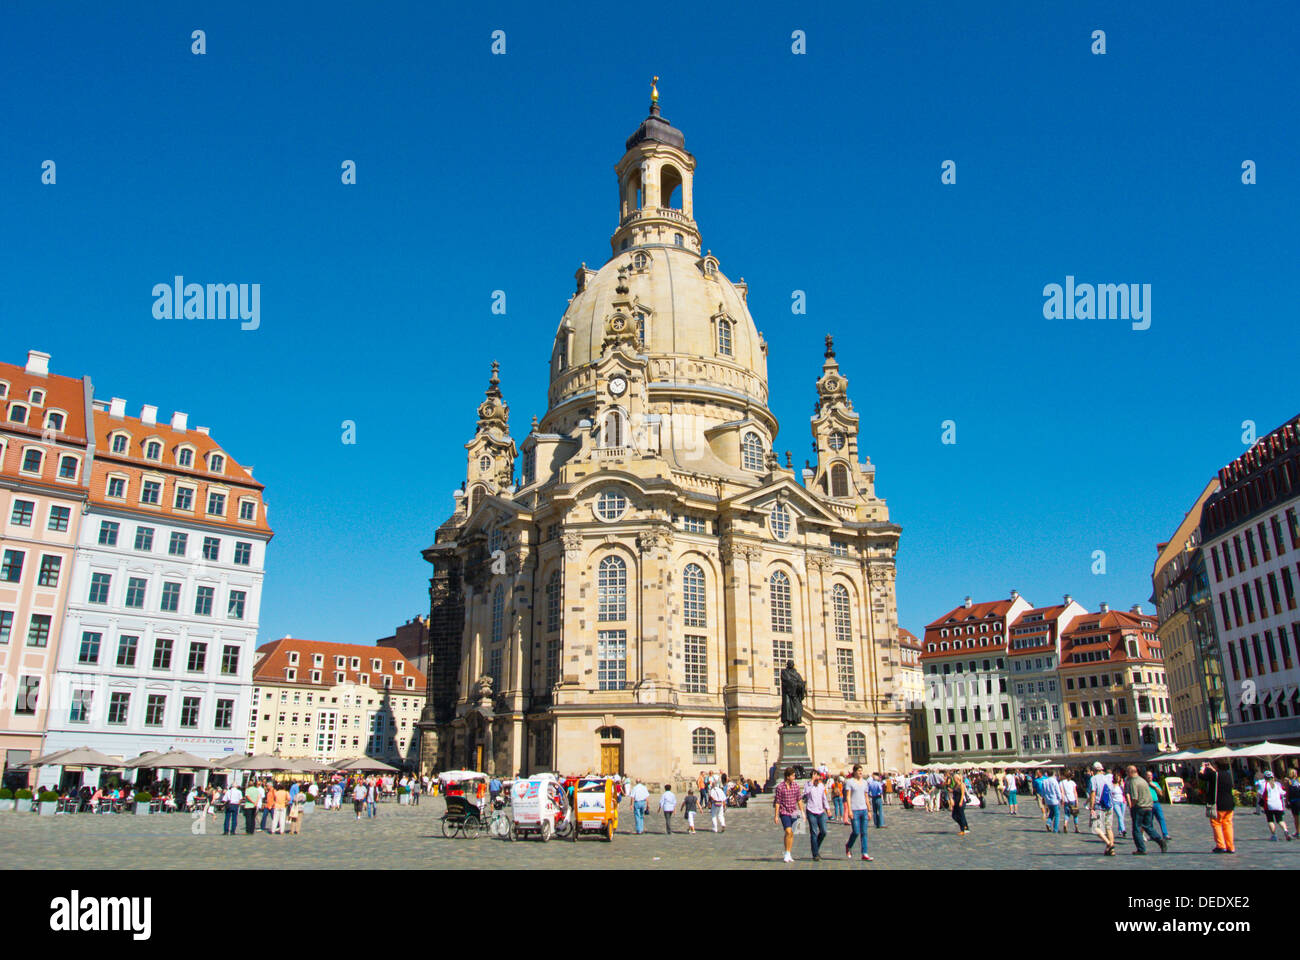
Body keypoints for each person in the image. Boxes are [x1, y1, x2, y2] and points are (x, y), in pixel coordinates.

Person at [1125, 765, 1167, 855]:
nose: (1126, 774)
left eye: (1127, 772)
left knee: (1137, 828)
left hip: (1139, 807)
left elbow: (1135, 797)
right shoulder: (1143, 780)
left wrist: (1131, 806)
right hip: (1149, 807)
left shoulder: (1133, 781)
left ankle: (1141, 849)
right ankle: (1160, 840)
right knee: (1147, 827)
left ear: (1130, 772)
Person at [1202, 758, 1236, 853]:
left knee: (1216, 824)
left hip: (1218, 804)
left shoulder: (1215, 775)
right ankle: (1231, 847)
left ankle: (1221, 845)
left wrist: (1202, 768)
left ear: (1217, 766)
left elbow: (1202, 776)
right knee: (1228, 825)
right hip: (1229, 804)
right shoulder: (1228, 775)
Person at [772, 768, 804, 863]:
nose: (794, 777)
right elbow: (777, 802)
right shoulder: (780, 787)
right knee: (788, 831)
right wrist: (776, 815)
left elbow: (799, 799)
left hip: (794, 812)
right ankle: (786, 853)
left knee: (791, 833)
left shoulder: (796, 786)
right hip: (784, 812)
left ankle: (788, 852)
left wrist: (802, 812)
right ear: (787, 776)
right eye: (793, 776)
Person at [843, 764, 873, 861]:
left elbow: (866, 797)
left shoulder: (864, 782)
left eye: (861, 770)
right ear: (854, 771)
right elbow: (848, 797)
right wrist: (849, 811)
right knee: (856, 831)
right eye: (859, 770)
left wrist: (869, 810)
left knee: (864, 832)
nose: (860, 772)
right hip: (855, 810)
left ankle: (864, 853)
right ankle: (848, 845)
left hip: (863, 809)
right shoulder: (849, 782)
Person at [1088, 761, 1116, 856]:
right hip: (1109, 805)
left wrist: (1091, 808)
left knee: (1095, 827)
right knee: (1109, 827)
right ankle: (1111, 850)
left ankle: (1109, 844)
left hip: (1098, 806)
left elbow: (1093, 793)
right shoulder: (1107, 778)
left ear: (1094, 770)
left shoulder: (1093, 779)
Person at [802, 771, 829, 861]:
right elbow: (806, 794)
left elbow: (824, 798)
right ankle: (815, 854)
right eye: (815, 775)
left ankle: (815, 847)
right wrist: (812, 782)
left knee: (824, 831)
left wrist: (827, 809)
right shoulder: (807, 785)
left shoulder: (821, 786)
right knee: (813, 832)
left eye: (817, 775)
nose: (817, 777)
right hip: (811, 811)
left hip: (820, 811)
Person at [1261, 771, 1292, 841]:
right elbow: (1283, 793)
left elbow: (1260, 794)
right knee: (1280, 820)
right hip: (1278, 805)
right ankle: (1285, 830)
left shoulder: (1264, 785)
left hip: (1269, 805)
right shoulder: (1277, 784)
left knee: (1270, 820)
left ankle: (1274, 835)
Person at [1145, 768, 1169, 841]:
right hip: (1148, 804)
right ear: (1145, 776)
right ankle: (1153, 835)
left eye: (1150, 775)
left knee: (1161, 818)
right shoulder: (1144, 784)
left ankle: (1165, 834)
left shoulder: (1155, 784)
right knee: (1149, 821)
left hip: (1156, 803)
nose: (1149, 777)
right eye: (1148, 775)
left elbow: (1161, 794)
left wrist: (1154, 787)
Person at [1110, 768, 1128, 838]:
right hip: (1115, 802)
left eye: (1119, 777)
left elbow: (1125, 792)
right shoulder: (1112, 785)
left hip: (1123, 802)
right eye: (1116, 777)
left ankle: (1120, 830)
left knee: (1122, 816)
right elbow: (1110, 793)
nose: (1117, 779)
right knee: (1120, 816)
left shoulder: (1122, 784)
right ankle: (1123, 830)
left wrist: (1122, 786)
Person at [1287, 769, 1300, 838]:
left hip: (1294, 801)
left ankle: (1298, 832)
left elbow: (1287, 792)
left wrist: (1286, 802)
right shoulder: (1299, 780)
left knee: (1296, 818)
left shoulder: (1289, 782)